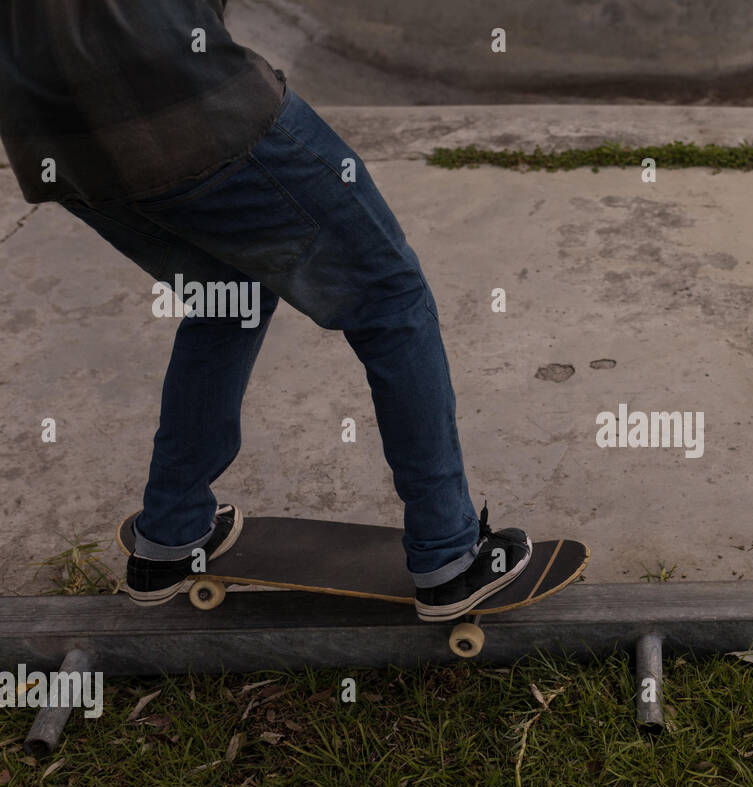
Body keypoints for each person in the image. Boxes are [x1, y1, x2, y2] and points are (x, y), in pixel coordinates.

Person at [0, 0, 531, 621]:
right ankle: (451, 556)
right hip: (185, 103)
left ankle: (171, 534)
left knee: (229, 297)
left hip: (51, 136)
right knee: (390, 299)